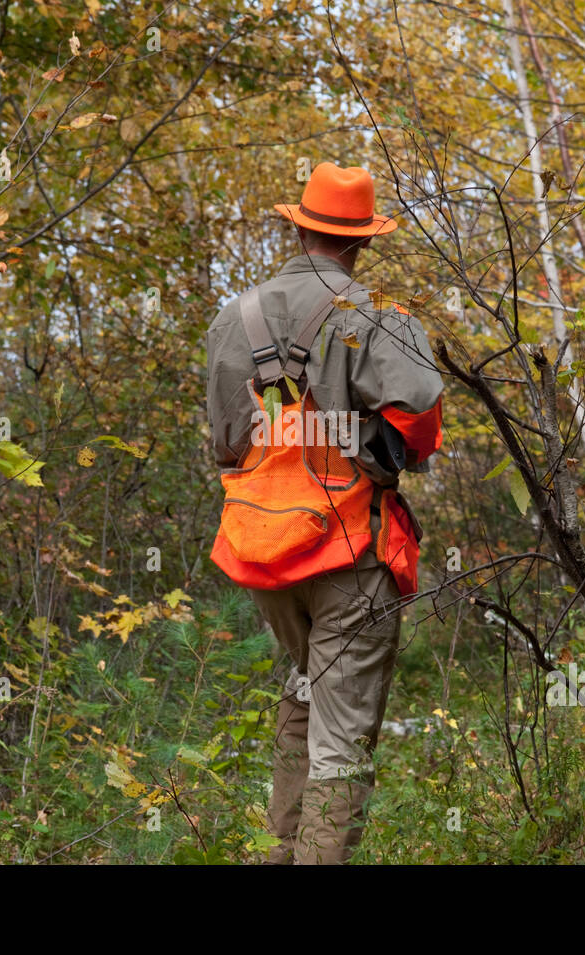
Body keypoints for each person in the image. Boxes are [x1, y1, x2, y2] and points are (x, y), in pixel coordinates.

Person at [205, 162, 444, 863]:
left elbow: (226, 440)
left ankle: (280, 852)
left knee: (305, 694)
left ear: (299, 226)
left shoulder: (234, 317)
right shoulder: (375, 318)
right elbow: (420, 414)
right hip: (348, 550)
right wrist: (371, 445)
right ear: (363, 242)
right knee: (340, 734)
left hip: (262, 548)